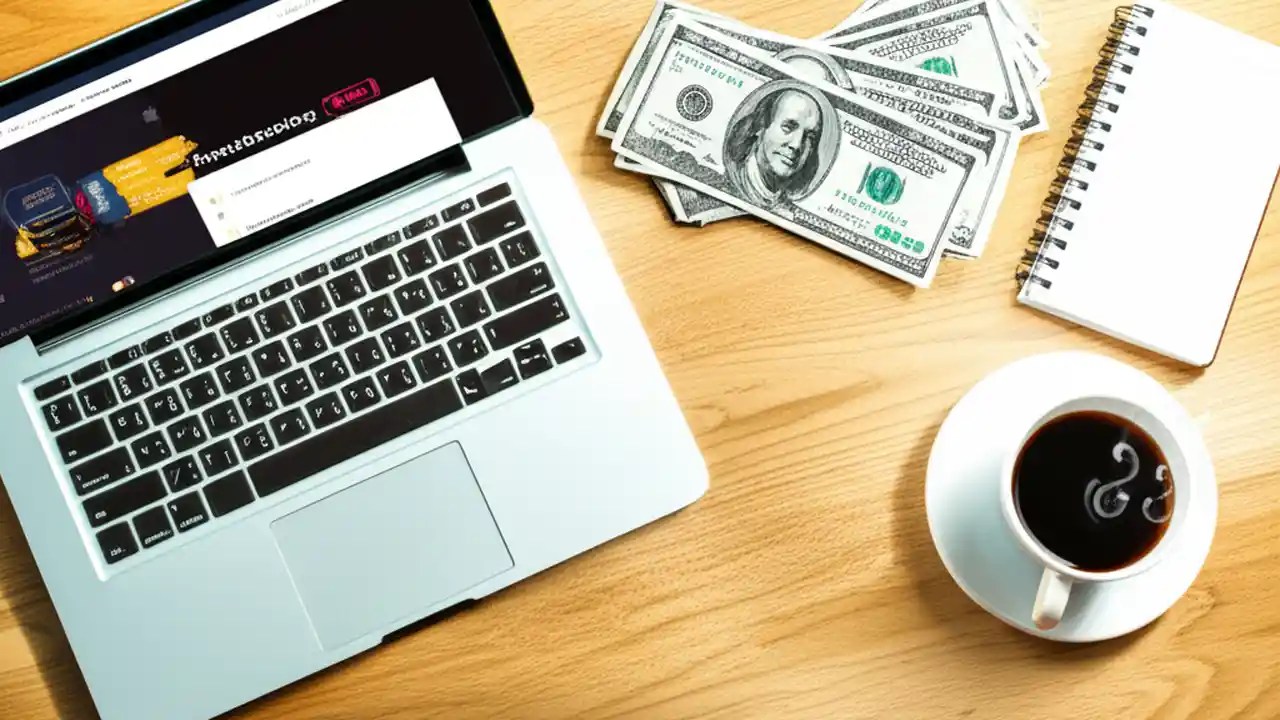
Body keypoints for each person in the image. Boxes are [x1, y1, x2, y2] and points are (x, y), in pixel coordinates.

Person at [724, 88, 824, 209]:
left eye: (810, 137)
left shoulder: (788, 210)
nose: (797, 145)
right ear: (761, 126)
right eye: (788, 127)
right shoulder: (726, 183)